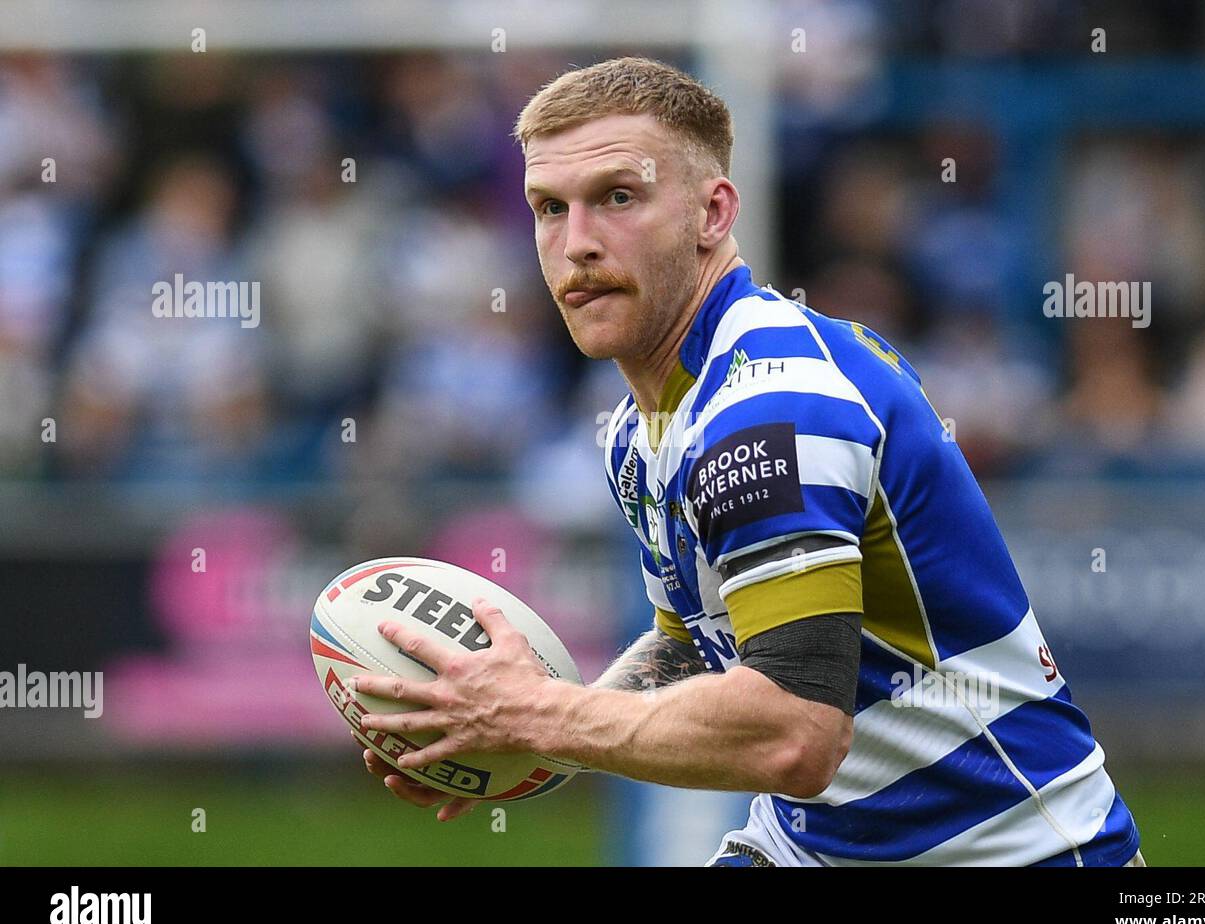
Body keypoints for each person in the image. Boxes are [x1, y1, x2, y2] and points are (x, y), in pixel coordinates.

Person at [352, 56, 1144, 867]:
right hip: (820, 843)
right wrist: (509, 738)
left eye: (617, 197)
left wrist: (538, 716)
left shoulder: (766, 410)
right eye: (550, 208)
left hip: (1001, 849)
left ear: (714, 212)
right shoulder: (644, 424)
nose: (577, 243)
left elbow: (795, 733)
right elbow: (696, 647)